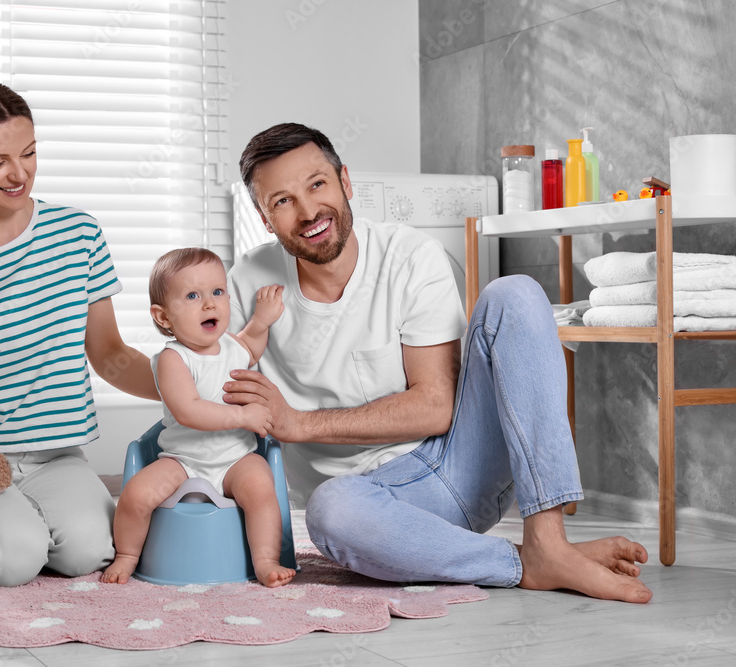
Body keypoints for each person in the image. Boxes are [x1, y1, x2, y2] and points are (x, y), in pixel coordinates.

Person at [223, 122, 653, 604]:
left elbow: (435, 406)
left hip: (455, 469)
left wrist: (298, 423)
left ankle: (548, 540)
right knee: (331, 510)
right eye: (282, 201)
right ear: (265, 219)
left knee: (515, 293)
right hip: (369, 509)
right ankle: (528, 560)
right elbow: (196, 378)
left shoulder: (411, 257)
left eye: (317, 184)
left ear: (345, 182)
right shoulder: (247, 281)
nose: (308, 212)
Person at [0, 80, 159, 587]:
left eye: (28, 153)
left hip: (55, 456)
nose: (19, 173)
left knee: (90, 553)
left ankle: (17, 521)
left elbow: (109, 353)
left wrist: (188, 386)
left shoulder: (79, 234)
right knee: (12, 561)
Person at [101, 248, 296, 587]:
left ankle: (266, 560)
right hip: (182, 460)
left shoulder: (232, 346)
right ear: (163, 317)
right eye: (193, 296)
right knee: (135, 495)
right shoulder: (172, 359)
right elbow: (188, 410)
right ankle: (128, 555)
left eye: (217, 292)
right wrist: (242, 415)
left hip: (236, 458)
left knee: (261, 490)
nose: (209, 304)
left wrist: (262, 319)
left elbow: (251, 342)